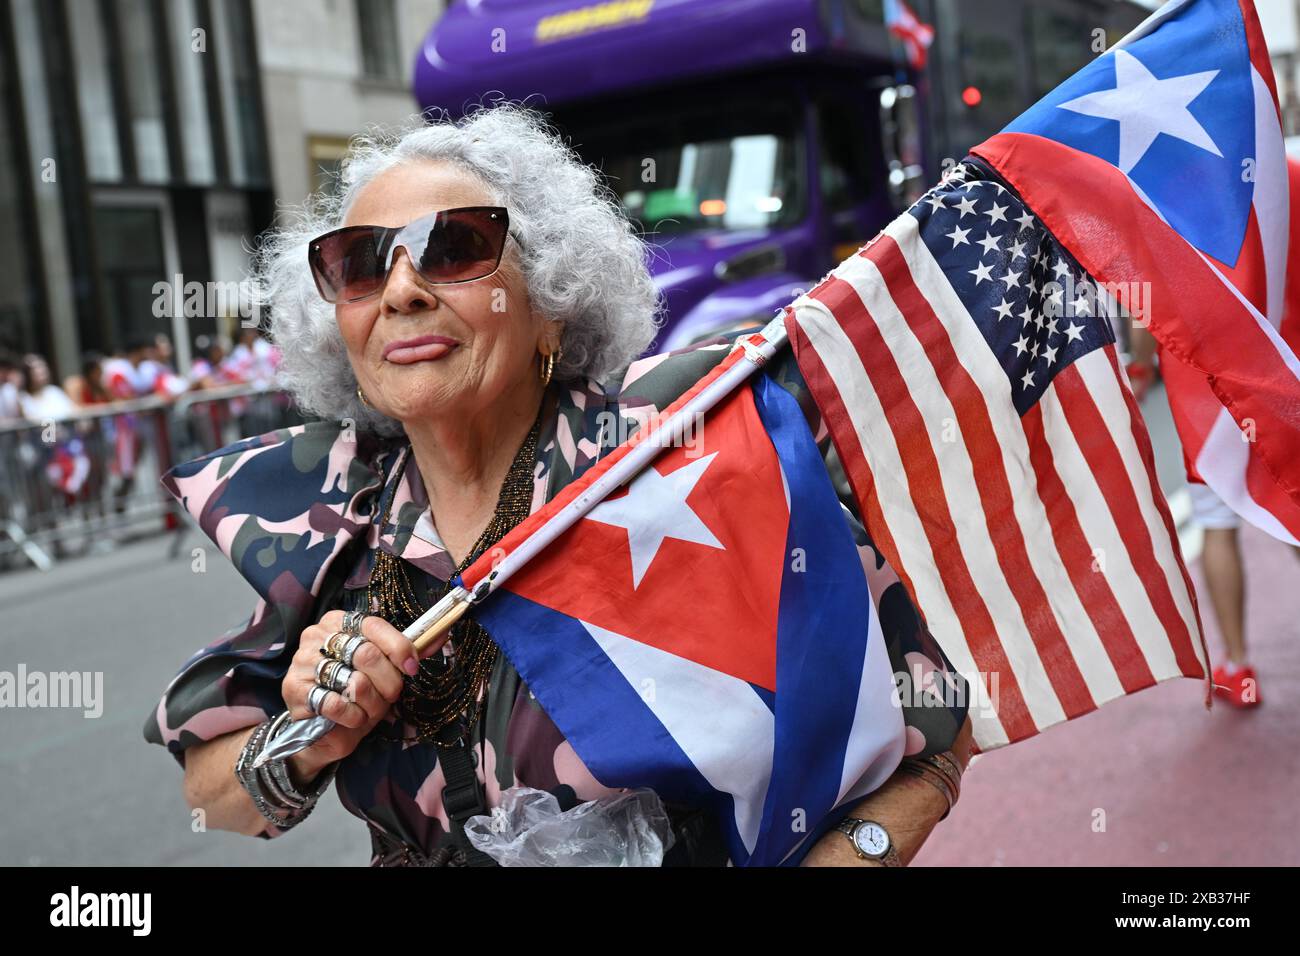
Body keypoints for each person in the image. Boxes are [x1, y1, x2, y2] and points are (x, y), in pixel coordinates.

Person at [143, 104, 973, 867]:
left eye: (454, 246)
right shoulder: (338, 527)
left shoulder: (688, 455)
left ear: (550, 304)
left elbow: (930, 729)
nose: (401, 289)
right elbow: (207, 795)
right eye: (360, 264)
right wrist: (311, 731)